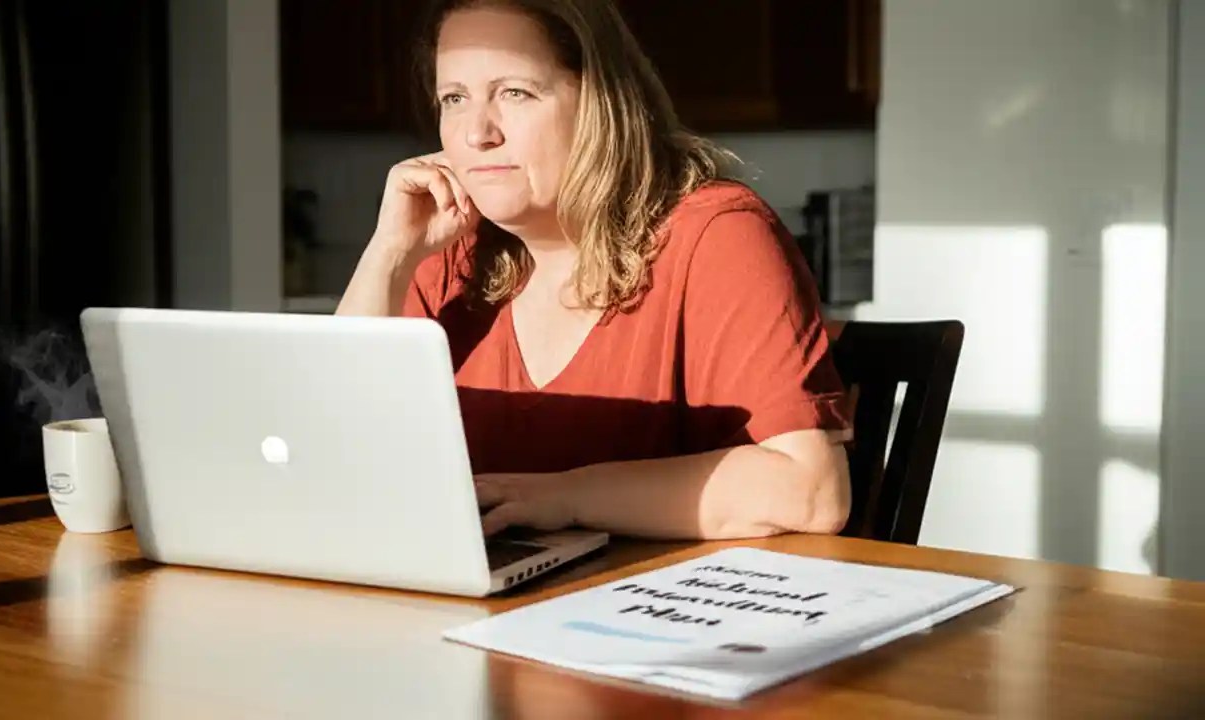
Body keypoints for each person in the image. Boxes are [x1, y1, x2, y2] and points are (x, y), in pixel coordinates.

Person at [336, 0, 854, 541]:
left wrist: (563, 495)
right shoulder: (447, 256)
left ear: (601, 101)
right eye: (455, 98)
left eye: (515, 93)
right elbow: (334, 457)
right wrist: (390, 252)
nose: (476, 134)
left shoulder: (716, 234)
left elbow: (809, 491)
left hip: (654, 611)